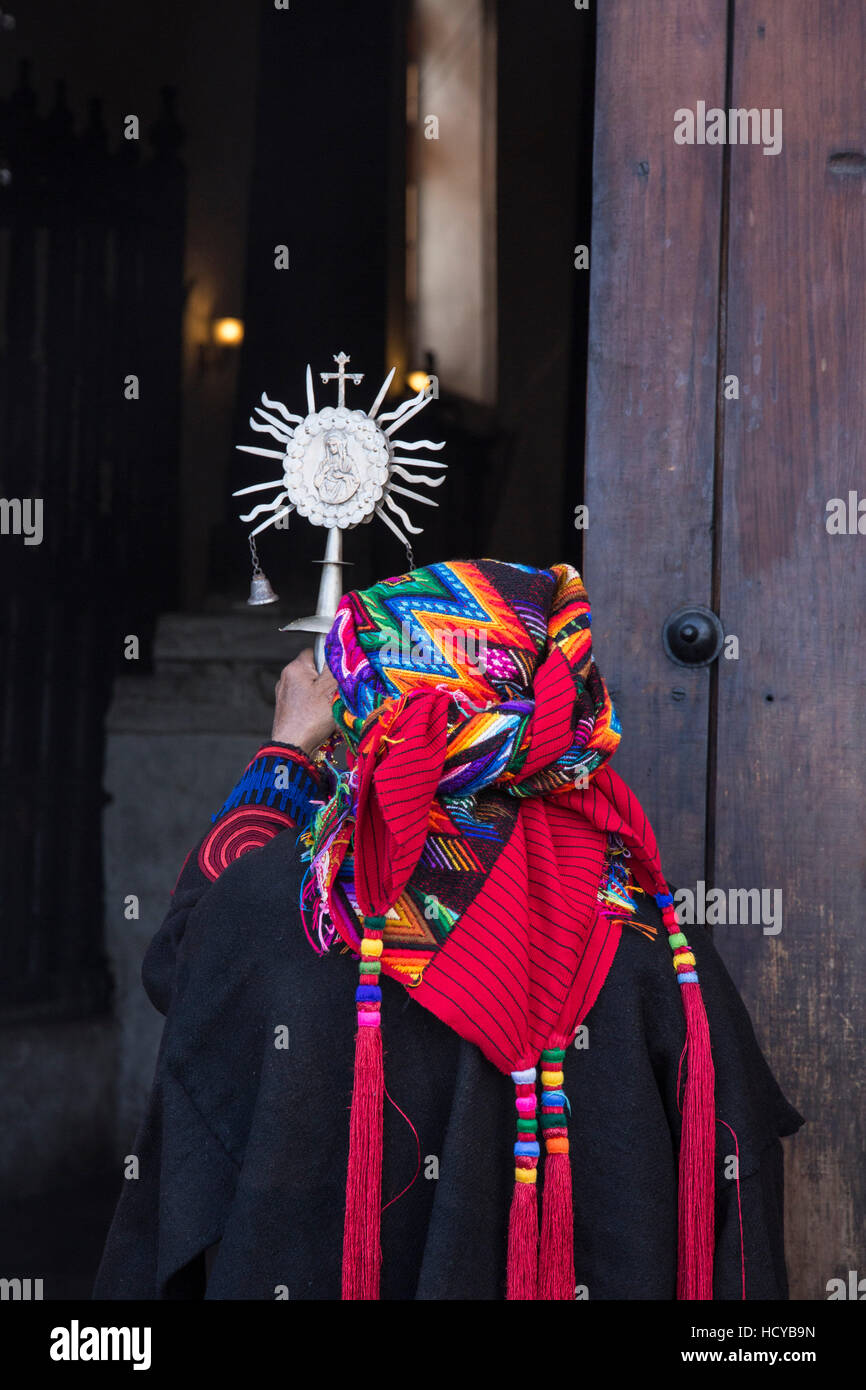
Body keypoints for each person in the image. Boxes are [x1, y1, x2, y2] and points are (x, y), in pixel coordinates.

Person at [93, 558, 803, 1301]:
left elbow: (179, 962)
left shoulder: (283, 902)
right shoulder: (651, 935)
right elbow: (736, 1178)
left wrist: (284, 758)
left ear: (365, 703)